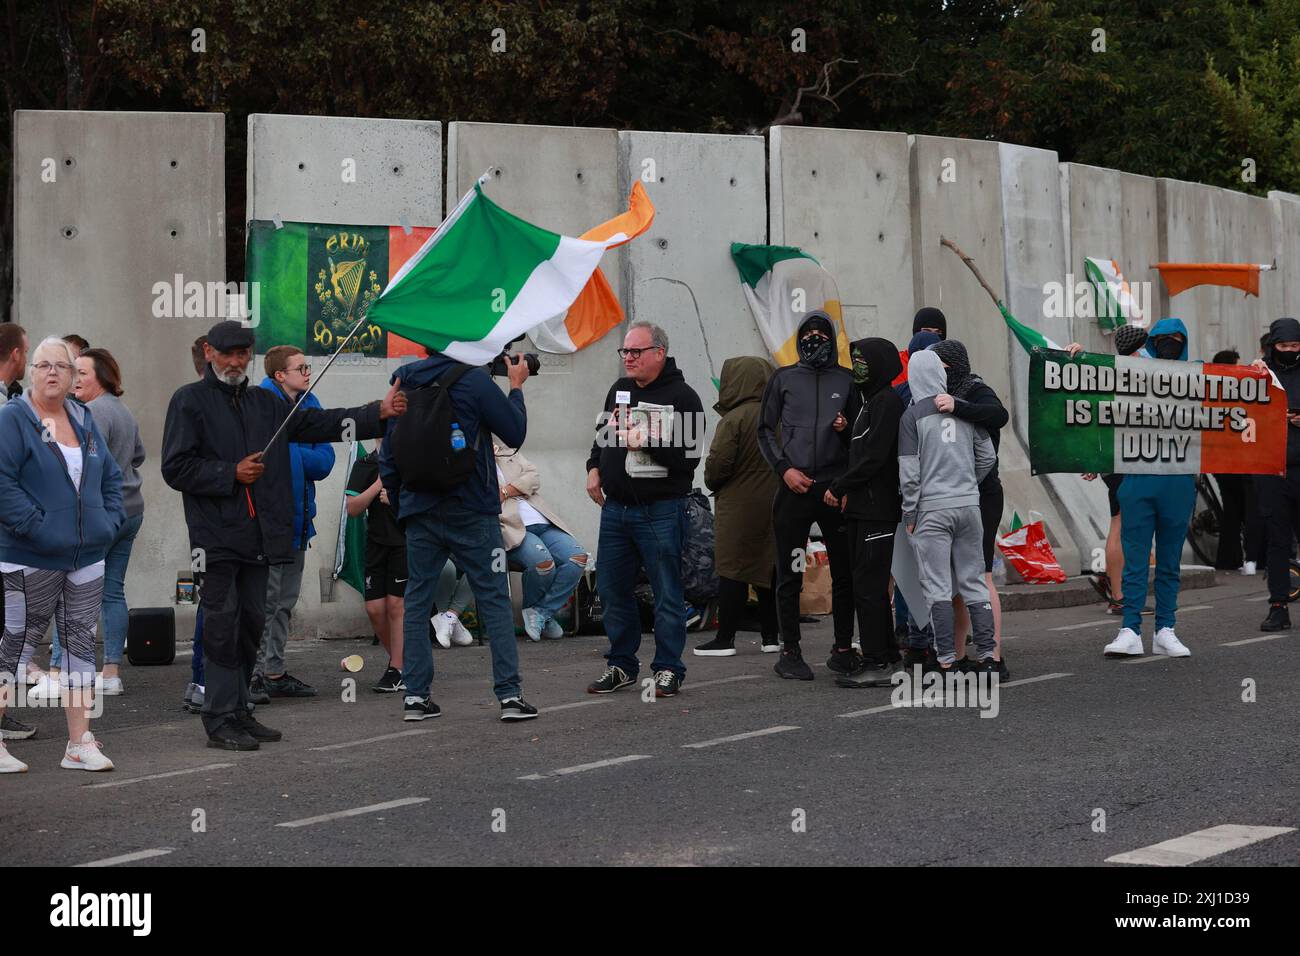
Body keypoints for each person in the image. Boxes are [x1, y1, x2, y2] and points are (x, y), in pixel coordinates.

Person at [162, 320, 406, 750]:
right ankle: (218, 719)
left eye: (243, 353)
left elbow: (320, 425)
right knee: (222, 628)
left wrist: (377, 414)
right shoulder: (189, 402)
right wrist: (229, 473)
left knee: (252, 625)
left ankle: (240, 711)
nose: (236, 361)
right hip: (215, 539)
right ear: (209, 352)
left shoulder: (265, 404)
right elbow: (175, 467)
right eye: (228, 352)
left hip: (261, 538)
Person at [378, 344, 537, 722]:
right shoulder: (475, 381)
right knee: (494, 598)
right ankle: (510, 697)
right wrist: (516, 386)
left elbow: (389, 454)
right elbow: (514, 432)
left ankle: (416, 697)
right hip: (472, 509)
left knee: (417, 601)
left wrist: (404, 506)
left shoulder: (402, 383)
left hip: (420, 510)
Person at [0, 337, 125, 773]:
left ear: (74, 377)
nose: (51, 372)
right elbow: (3, 483)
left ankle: (79, 743)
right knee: (15, 647)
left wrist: (107, 523)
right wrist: (39, 529)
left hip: (86, 555)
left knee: (79, 646)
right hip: (28, 555)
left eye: (61, 366)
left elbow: (111, 477)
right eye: (42, 365)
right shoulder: (13, 419)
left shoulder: (83, 417)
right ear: (31, 371)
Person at [584, 322, 705, 698]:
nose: (629, 358)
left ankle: (669, 668)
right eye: (625, 352)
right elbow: (602, 437)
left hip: (661, 511)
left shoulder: (683, 397)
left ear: (659, 352)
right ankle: (621, 664)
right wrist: (593, 468)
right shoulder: (619, 390)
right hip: (616, 510)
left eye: (636, 351)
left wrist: (648, 441)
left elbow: (689, 459)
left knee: (666, 591)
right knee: (611, 588)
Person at [39, 349, 145, 698]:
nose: (75, 379)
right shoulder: (122, 409)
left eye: (82, 373)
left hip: (96, 514)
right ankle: (111, 672)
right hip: (129, 511)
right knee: (112, 591)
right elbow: (139, 455)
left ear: (101, 376)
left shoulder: (93, 412)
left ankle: (56, 673)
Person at [757, 311, 855, 681]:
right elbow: (764, 429)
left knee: (844, 573)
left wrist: (843, 479)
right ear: (799, 339)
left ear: (832, 339)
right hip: (794, 489)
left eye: (822, 333)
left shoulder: (846, 381)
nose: (815, 338)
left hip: (832, 491)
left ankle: (843, 648)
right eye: (809, 333)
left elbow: (859, 438)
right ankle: (790, 651)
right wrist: (784, 469)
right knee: (790, 570)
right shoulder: (783, 378)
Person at [1103, 318, 1197, 657]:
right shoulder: (1128, 373)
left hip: (1178, 479)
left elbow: (1245, 391)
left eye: (1176, 339)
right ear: (1152, 342)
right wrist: (1077, 357)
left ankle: (1165, 629)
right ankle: (1129, 628)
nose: (1170, 344)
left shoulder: (1198, 377)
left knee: (1170, 559)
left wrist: (1263, 370)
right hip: (1138, 476)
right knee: (1136, 558)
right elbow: (1089, 390)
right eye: (1163, 339)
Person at [899, 348, 997, 672]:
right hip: (969, 505)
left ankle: (946, 662)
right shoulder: (962, 408)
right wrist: (968, 483)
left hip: (931, 511)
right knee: (974, 582)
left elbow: (909, 474)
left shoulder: (912, 417)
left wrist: (911, 514)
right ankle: (987, 657)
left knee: (938, 587)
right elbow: (988, 458)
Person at [248, 346, 334, 704]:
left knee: (284, 601)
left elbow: (324, 461)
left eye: (308, 366)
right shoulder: (259, 404)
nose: (307, 372)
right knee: (263, 602)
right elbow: (262, 460)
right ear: (279, 375)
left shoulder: (309, 403)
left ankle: (273, 671)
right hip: (267, 524)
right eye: (300, 368)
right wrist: (294, 450)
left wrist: (289, 451)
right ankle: (251, 674)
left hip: (300, 520)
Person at [825, 338, 905, 687]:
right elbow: (861, 452)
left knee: (870, 587)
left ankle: (877, 662)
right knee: (865, 585)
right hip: (862, 508)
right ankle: (887, 655)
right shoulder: (869, 402)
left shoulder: (886, 402)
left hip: (877, 510)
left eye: (862, 361)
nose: (856, 366)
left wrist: (840, 486)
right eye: (854, 359)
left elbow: (874, 457)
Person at [931, 339, 1011, 678]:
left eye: (940, 367)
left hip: (983, 493)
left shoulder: (975, 389)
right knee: (955, 580)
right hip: (953, 496)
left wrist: (957, 406)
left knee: (980, 575)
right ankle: (959, 655)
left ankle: (992, 657)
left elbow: (999, 415)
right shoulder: (932, 395)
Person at [696, 356, 779, 657]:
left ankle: (725, 639)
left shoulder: (733, 419)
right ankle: (772, 636)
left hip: (737, 505)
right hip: (775, 501)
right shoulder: (778, 414)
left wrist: (711, 480)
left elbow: (718, 465)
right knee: (769, 567)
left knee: (732, 569)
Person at [1069, 325, 1148, 614]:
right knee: (1122, 524)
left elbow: (1096, 415)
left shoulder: (1108, 374)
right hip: (1128, 460)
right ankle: (1119, 595)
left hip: (1116, 461)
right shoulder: (1143, 374)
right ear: (1139, 349)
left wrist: (1095, 458)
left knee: (1124, 524)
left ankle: (1117, 586)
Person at [495, 443, 587, 641]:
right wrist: (519, 488)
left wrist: (505, 492)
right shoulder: (473, 461)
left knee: (578, 557)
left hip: (543, 521)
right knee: (543, 563)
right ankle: (538, 613)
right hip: (513, 527)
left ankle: (541, 612)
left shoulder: (508, 452)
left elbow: (533, 477)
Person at [345, 443, 407, 692]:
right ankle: (406, 665)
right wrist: (379, 485)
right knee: (374, 608)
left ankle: (398, 669)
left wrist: (396, 497)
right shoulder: (365, 464)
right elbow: (353, 508)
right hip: (376, 544)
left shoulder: (409, 462)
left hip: (404, 542)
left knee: (396, 606)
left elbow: (427, 499)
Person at [1253, 318, 1300, 631]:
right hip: (1271, 470)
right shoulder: (1258, 373)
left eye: (1295, 347)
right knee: (1278, 541)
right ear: (1272, 347)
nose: (1290, 352)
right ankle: (1278, 606)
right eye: (1283, 347)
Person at [182, 336, 209, 714]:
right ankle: (203, 681)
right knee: (216, 607)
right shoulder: (194, 405)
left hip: (206, 526)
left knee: (210, 604)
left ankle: (199, 680)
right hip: (211, 526)